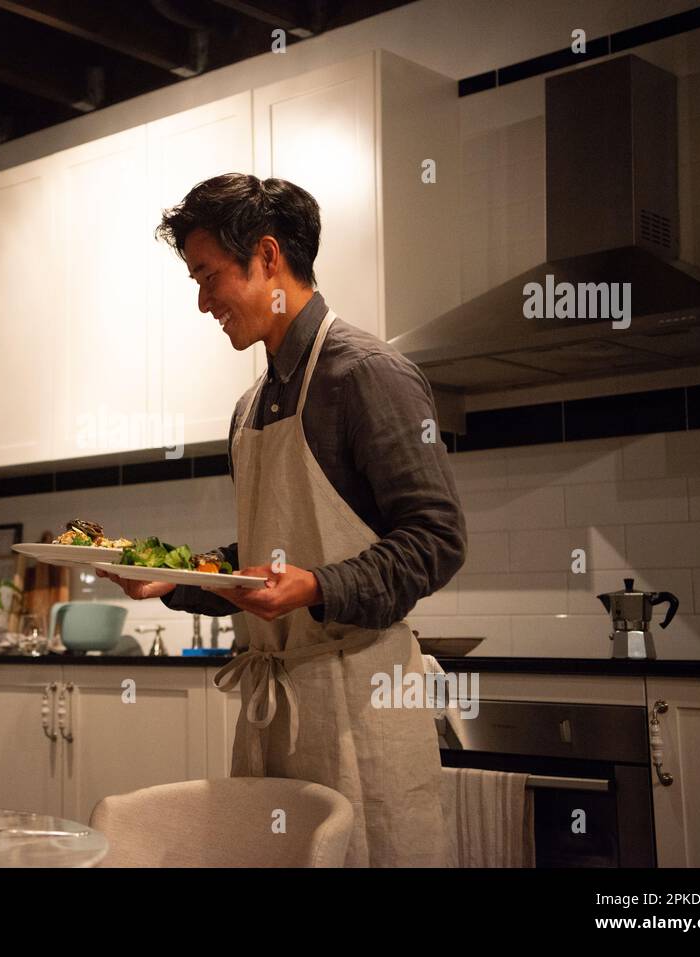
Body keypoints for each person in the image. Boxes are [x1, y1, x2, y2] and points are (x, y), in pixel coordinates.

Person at [98, 174, 466, 866]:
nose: (202, 302)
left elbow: (437, 539)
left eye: (208, 276)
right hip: (277, 711)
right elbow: (271, 553)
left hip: (362, 706)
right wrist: (175, 578)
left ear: (267, 257)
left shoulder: (367, 375)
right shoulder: (250, 405)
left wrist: (317, 587)